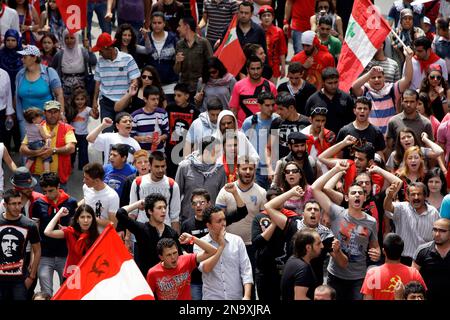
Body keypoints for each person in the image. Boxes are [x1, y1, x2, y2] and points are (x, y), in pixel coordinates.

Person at [312, 161, 381, 300]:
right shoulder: (337, 212)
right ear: (346, 197)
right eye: (353, 192)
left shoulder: (371, 222)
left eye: (360, 193)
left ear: (364, 197)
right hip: (335, 275)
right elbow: (315, 189)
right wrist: (336, 170)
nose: (357, 195)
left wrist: (377, 253)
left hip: (358, 277)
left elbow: (375, 247)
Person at [31, 172, 77, 296]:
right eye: (44, 191)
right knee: (46, 293)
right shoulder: (38, 204)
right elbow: (34, 231)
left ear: (58, 186)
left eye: (51, 190)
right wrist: (33, 257)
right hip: (45, 255)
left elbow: (76, 228)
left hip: (66, 255)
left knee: (69, 292)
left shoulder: (71, 202)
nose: (48, 194)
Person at [351, 47, 414, 135]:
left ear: (384, 78)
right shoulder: (365, 91)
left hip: (390, 136)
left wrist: (408, 58)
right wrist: (369, 73)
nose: (377, 80)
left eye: (379, 77)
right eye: (373, 77)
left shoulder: (392, 89)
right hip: (371, 135)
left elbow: (407, 79)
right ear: (368, 79)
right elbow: (354, 87)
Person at [194, 206, 253, 300]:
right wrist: (221, 247)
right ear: (209, 225)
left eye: (224, 220)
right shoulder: (200, 244)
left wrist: (247, 296)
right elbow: (206, 268)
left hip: (236, 297)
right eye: (219, 221)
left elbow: (246, 270)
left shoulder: (237, 241)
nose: (224, 224)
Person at [116, 194, 182, 276]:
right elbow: (120, 213)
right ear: (150, 211)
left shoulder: (172, 233)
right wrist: (138, 204)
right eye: (159, 208)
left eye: (165, 207)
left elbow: (180, 256)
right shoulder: (141, 229)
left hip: (167, 282)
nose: (164, 211)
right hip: (146, 280)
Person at [19, 100, 76, 188]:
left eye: (55, 112)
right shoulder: (37, 126)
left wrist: (53, 151)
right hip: (36, 178)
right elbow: (22, 149)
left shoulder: (67, 128)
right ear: (44, 113)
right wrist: (37, 152)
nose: (52, 115)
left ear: (60, 113)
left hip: (58, 178)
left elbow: (71, 148)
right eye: (49, 112)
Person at [91, 32, 141, 132]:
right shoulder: (100, 61)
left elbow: (135, 80)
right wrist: (94, 102)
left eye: (101, 51)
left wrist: (128, 95)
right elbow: (97, 82)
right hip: (106, 102)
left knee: (122, 134)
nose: (100, 53)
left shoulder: (128, 59)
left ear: (109, 48)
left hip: (123, 102)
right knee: (107, 134)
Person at [384, 181, 440, 266]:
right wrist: (389, 196)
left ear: (425, 196)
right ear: (407, 196)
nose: (416, 197)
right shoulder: (402, 208)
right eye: (413, 194)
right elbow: (387, 207)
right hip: (404, 260)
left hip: (426, 260)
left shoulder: (433, 212)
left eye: (419, 194)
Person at [146, 235, 218, 300]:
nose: (173, 257)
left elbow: (212, 251)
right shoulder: (153, 273)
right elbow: (147, 296)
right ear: (161, 257)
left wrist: (192, 238)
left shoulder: (186, 260)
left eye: (175, 253)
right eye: (168, 255)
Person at [15, 45, 64, 139]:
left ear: (34, 58)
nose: (22, 60)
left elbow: (59, 94)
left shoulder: (49, 72)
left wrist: (61, 114)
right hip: (25, 121)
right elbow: (16, 97)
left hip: (47, 120)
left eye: (25, 57)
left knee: (47, 148)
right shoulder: (20, 75)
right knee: (28, 149)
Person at [0, 189, 40, 301]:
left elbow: (37, 250)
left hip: (19, 281)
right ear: (5, 205)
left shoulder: (29, 224)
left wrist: (31, 277)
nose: (18, 207)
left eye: (19, 203)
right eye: (13, 204)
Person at [361, 233, 427, 300]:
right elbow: (422, 296)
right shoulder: (414, 273)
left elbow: (367, 298)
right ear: (402, 250)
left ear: (384, 251)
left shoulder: (373, 273)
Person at [176, 136, 226, 222]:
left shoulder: (220, 170)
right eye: (216, 152)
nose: (218, 156)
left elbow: (222, 198)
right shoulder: (184, 167)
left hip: (211, 221)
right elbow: (176, 195)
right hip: (188, 219)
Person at [129, 151, 181, 233]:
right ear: (149, 166)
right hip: (141, 233)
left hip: (165, 234)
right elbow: (132, 213)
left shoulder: (173, 185)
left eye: (163, 166)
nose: (160, 170)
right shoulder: (138, 182)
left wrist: (176, 240)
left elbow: (175, 216)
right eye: (157, 166)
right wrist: (128, 237)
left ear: (166, 166)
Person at [44, 205, 99, 279]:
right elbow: (47, 232)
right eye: (82, 217)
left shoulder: (97, 236)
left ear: (93, 219)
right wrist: (59, 214)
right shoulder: (70, 232)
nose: (86, 220)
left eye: (89, 217)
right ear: (77, 219)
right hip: (71, 277)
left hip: (89, 277)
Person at [241, 91, 278, 189]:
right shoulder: (250, 122)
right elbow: (243, 145)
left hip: (275, 168)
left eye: (272, 105)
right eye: (267, 105)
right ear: (259, 106)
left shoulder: (278, 120)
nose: (271, 108)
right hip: (256, 169)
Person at [51, 29, 97, 105]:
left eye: (72, 38)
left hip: (81, 92)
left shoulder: (83, 51)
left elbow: (93, 61)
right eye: (66, 38)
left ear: (76, 38)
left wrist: (88, 49)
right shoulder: (60, 54)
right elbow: (51, 68)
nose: (69, 41)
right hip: (65, 91)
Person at [229, 56, 277, 128]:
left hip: (265, 128)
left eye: (258, 68)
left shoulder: (270, 86)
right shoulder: (238, 85)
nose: (256, 72)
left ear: (262, 68)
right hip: (243, 129)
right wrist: (233, 132)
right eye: (252, 69)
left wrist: (274, 132)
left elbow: (275, 111)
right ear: (247, 69)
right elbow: (233, 111)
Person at [304, 67, 354, 135]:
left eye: (336, 82)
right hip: (320, 141)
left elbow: (353, 121)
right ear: (323, 82)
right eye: (330, 83)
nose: (333, 86)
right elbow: (307, 123)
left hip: (343, 140)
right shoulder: (313, 100)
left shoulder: (346, 98)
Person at [267, 93, 310, 168]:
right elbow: (269, 147)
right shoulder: (276, 122)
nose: (278, 112)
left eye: (281, 109)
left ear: (291, 108)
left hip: (303, 167)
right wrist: (270, 168)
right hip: (281, 167)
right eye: (277, 109)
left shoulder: (306, 122)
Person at [141, 12, 178, 98]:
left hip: (170, 83)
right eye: (154, 23)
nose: (156, 25)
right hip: (150, 83)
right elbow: (140, 60)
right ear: (151, 23)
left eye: (159, 23)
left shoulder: (173, 38)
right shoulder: (146, 38)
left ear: (164, 23)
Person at [386, 90, 434, 156]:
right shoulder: (393, 121)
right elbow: (389, 147)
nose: (408, 105)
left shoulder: (426, 123)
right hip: (399, 164)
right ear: (402, 102)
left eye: (412, 102)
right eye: (406, 101)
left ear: (417, 102)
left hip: (420, 163)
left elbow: (430, 149)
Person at [166, 83, 199, 177]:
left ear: (187, 96)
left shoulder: (194, 111)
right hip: (171, 148)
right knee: (171, 174)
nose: (176, 98)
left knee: (184, 174)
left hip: (186, 149)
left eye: (179, 95)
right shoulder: (170, 108)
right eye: (175, 95)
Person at [280, 228, 323, 300]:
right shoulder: (303, 269)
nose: (322, 246)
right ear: (308, 247)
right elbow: (300, 298)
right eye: (318, 244)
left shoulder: (293, 259)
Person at [412, 218, 450, 300]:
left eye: (442, 231)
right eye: (435, 230)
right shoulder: (423, 251)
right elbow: (413, 277)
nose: (437, 234)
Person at [175, 16, 213, 94]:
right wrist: (178, 62)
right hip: (184, 89)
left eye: (179, 26)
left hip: (201, 88)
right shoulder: (179, 44)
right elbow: (176, 71)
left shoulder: (204, 43)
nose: (177, 29)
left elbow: (211, 65)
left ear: (187, 26)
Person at [80, 163, 120, 232]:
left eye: (87, 179)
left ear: (97, 181)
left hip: (102, 238)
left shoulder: (112, 196)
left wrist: (93, 219)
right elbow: (87, 199)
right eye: (84, 177)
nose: (84, 181)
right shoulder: (86, 187)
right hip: (86, 235)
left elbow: (113, 224)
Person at [131, 86, 170, 152]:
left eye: (157, 99)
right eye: (153, 99)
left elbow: (167, 133)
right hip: (141, 153)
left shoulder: (163, 113)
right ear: (145, 99)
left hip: (159, 151)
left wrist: (160, 138)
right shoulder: (135, 115)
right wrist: (142, 138)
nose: (156, 102)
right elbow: (131, 135)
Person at [68, 88, 98, 170]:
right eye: (77, 99)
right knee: (71, 153)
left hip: (83, 135)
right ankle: (70, 166)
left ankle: (85, 169)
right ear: (73, 100)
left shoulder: (87, 109)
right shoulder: (71, 109)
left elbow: (95, 116)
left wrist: (96, 111)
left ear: (85, 99)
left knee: (83, 154)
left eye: (82, 99)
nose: (80, 101)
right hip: (72, 135)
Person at [389, 8, 425, 73]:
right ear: (401, 20)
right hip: (398, 64)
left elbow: (423, 48)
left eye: (410, 19)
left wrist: (418, 40)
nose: (407, 21)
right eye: (405, 18)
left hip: (415, 64)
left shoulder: (418, 31)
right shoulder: (395, 32)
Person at [259, 5, 287, 83]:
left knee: (272, 90)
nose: (266, 18)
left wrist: (283, 67)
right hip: (258, 66)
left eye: (269, 15)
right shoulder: (256, 30)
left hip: (274, 66)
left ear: (273, 17)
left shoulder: (279, 31)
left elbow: (282, 51)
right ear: (260, 18)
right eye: (264, 15)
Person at [23, 107, 53, 173]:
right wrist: (51, 134)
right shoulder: (39, 126)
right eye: (40, 117)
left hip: (30, 145)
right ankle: (47, 173)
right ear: (34, 120)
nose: (42, 119)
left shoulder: (27, 125)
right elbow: (44, 136)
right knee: (46, 157)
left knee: (30, 160)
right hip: (38, 143)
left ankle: (24, 172)